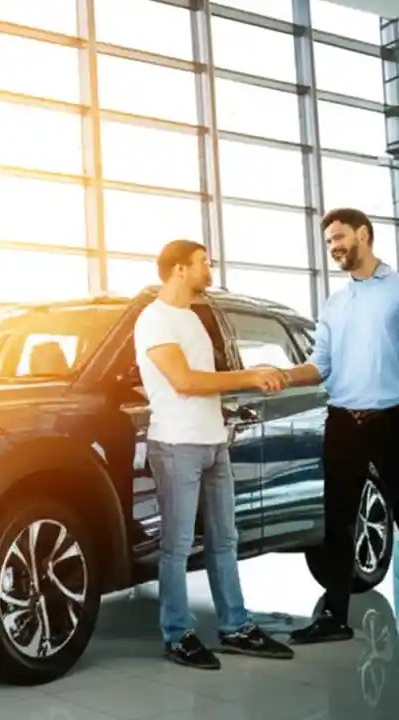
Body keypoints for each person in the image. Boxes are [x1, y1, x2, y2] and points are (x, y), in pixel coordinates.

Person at [282, 209, 399, 651]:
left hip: (392, 419)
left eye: (339, 237)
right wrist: (280, 375)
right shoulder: (335, 303)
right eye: (329, 241)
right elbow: (320, 366)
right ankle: (335, 616)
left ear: (364, 235)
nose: (334, 246)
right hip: (342, 420)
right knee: (337, 524)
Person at [135, 239, 295, 670]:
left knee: (225, 539)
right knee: (178, 545)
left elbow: (203, 383)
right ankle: (177, 634)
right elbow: (184, 381)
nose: (210, 269)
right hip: (175, 445)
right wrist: (251, 375)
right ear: (179, 270)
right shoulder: (154, 320)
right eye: (204, 263)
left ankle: (235, 627)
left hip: (211, 442)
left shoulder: (192, 318)